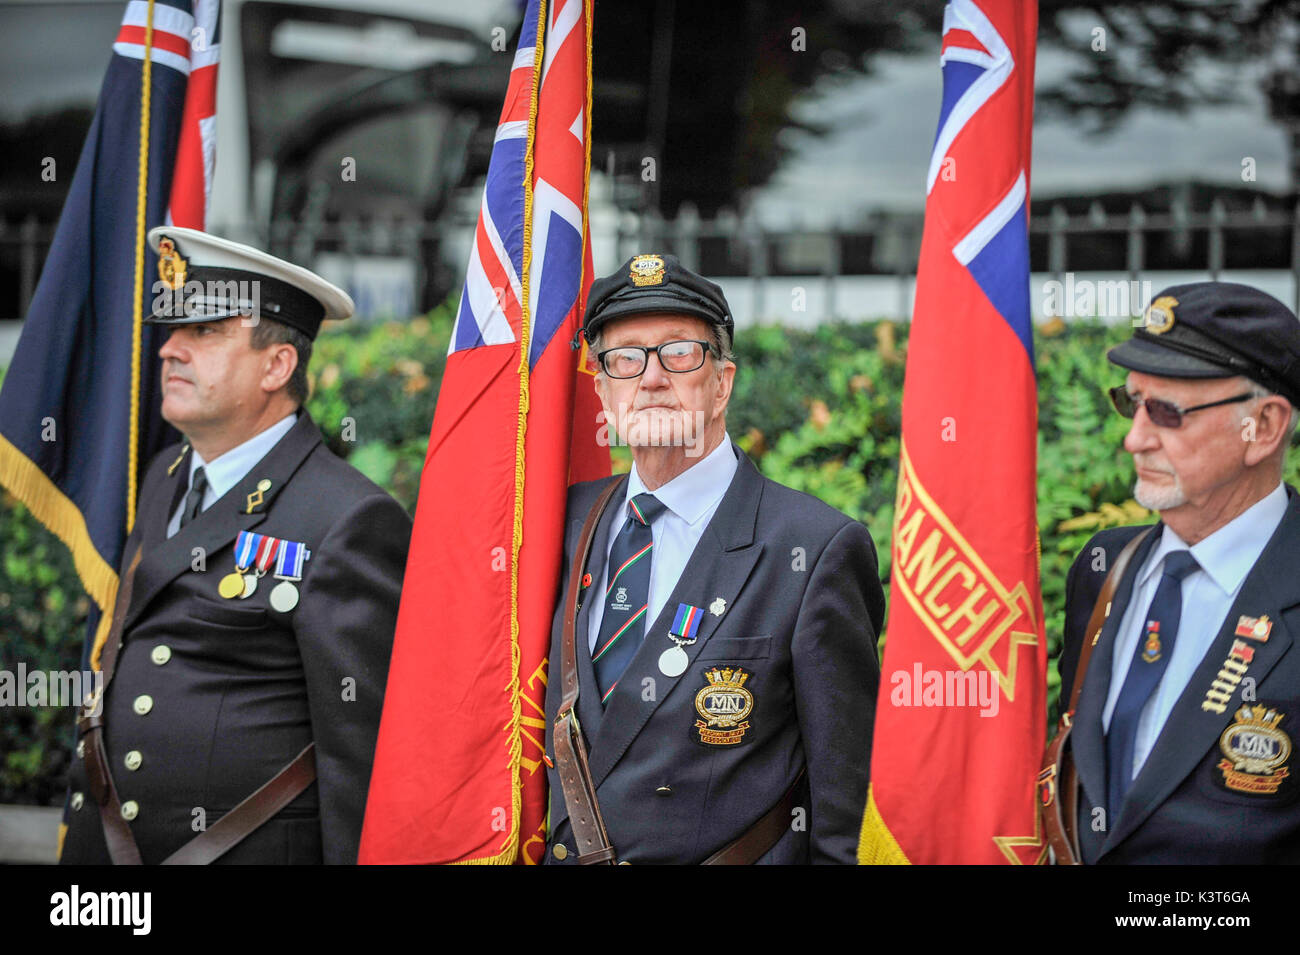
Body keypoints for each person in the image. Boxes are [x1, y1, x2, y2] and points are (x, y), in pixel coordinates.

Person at [60, 227, 411, 865]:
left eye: (205, 332)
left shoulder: (349, 518)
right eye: (172, 332)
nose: (168, 350)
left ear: (277, 365)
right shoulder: (169, 474)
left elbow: (360, 758)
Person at [542, 253, 885, 865]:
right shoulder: (560, 526)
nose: (650, 379)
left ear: (722, 382)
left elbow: (846, 805)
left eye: (678, 353)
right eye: (625, 359)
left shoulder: (812, 548)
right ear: (602, 391)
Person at [1056, 281, 1300, 864]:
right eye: (1130, 402)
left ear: (1262, 427)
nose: (1134, 438)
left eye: (1168, 412)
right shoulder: (1106, 568)